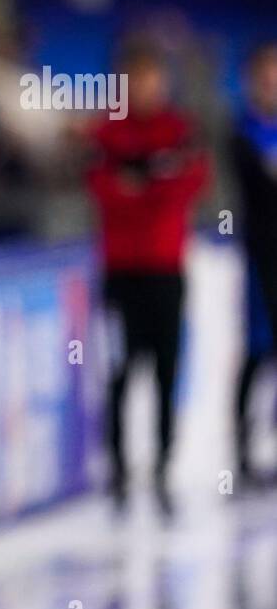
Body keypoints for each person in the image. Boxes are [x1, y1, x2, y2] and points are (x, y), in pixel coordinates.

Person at [85, 43, 210, 518]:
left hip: (165, 273)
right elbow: (106, 193)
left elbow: (187, 188)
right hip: (120, 276)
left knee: (165, 371)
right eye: (134, 79)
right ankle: (118, 469)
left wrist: (144, 185)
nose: (143, 88)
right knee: (118, 373)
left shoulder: (181, 131)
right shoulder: (107, 133)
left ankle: (162, 467)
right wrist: (154, 183)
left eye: (150, 78)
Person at [231, 42, 277, 488]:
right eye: (265, 73)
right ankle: (242, 451)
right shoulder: (243, 130)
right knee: (256, 350)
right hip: (260, 256)